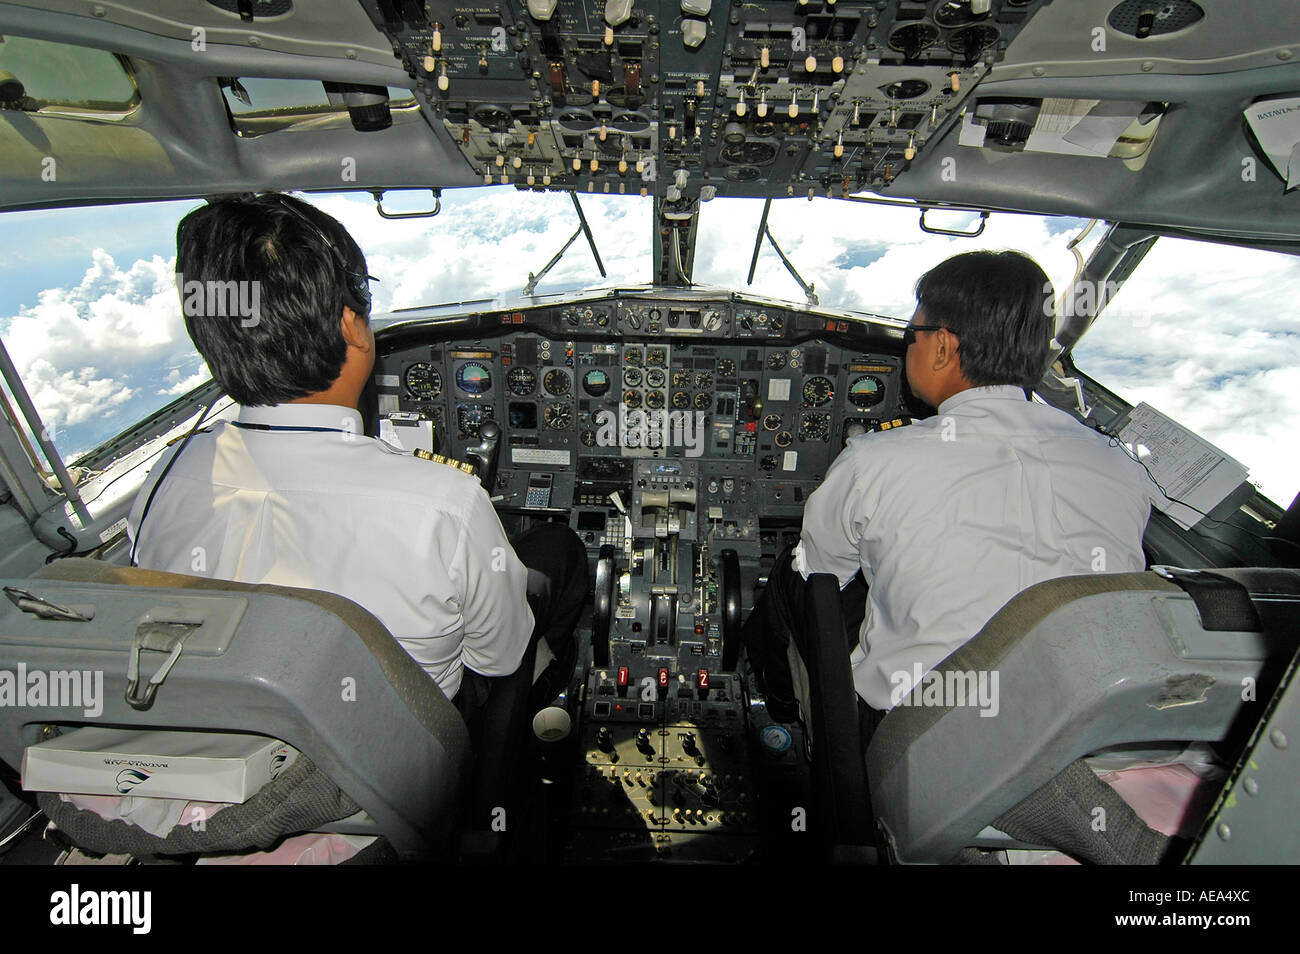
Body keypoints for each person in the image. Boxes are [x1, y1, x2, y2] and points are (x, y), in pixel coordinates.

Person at [127, 192, 588, 716]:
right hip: (413, 737)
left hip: (240, 731)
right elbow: (498, 658)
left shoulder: (164, 480)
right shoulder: (446, 504)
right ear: (351, 326)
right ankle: (553, 675)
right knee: (556, 549)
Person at [742, 250, 1152, 739]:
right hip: (1085, 722)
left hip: (916, 731)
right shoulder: (1120, 466)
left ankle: (784, 704)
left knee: (799, 567)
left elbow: (821, 573)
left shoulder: (875, 461)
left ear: (940, 346)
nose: (907, 348)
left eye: (911, 334)